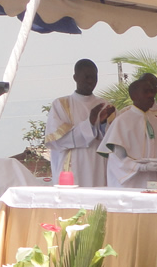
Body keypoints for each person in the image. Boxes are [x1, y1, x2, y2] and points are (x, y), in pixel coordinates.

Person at [46, 59, 113, 187]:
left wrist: (103, 123)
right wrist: (90, 123)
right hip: (73, 168)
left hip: (98, 166)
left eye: (94, 77)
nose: (90, 81)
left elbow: (112, 141)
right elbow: (60, 140)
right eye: (86, 76)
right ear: (75, 77)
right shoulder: (61, 105)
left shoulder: (105, 105)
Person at [98, 79, 157, 188]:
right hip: (130, 183)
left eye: (152, 92)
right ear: (133, 96)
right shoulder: (122, 121)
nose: (151, 95)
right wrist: (141, 167)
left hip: (153, 182)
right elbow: (116, 159)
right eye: (146, 92)